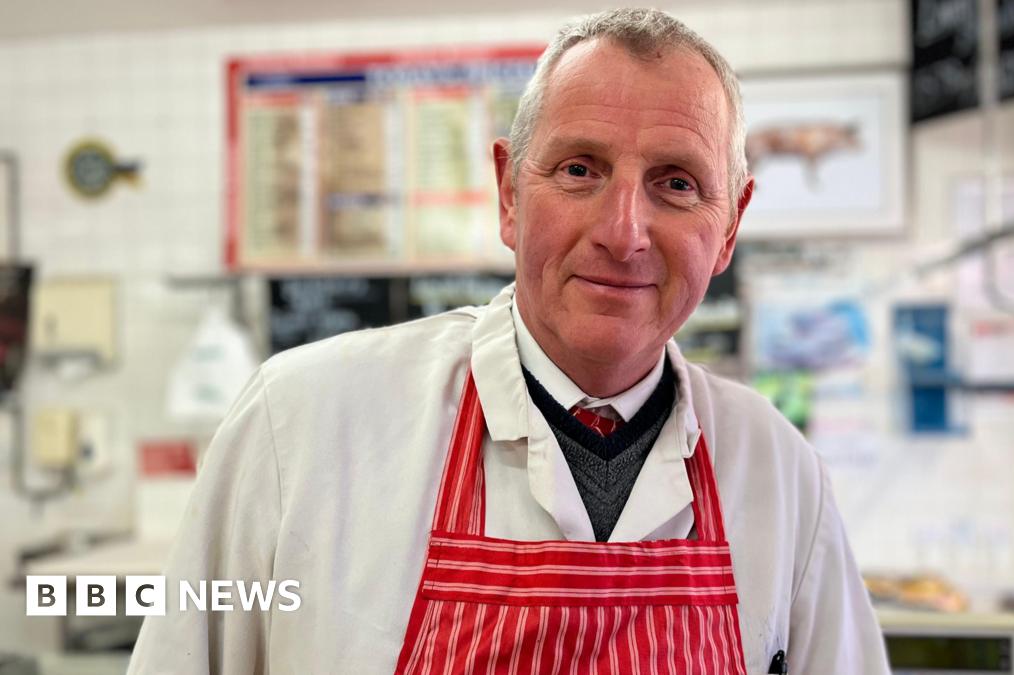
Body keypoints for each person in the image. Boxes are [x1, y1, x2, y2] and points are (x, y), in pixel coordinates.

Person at [129, 8, 889, 674]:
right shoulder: (298, 426)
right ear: (508, 193)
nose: (623, 233)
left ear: (730, 227)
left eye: (677, 183)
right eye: (579, 169)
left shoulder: (782, 475)